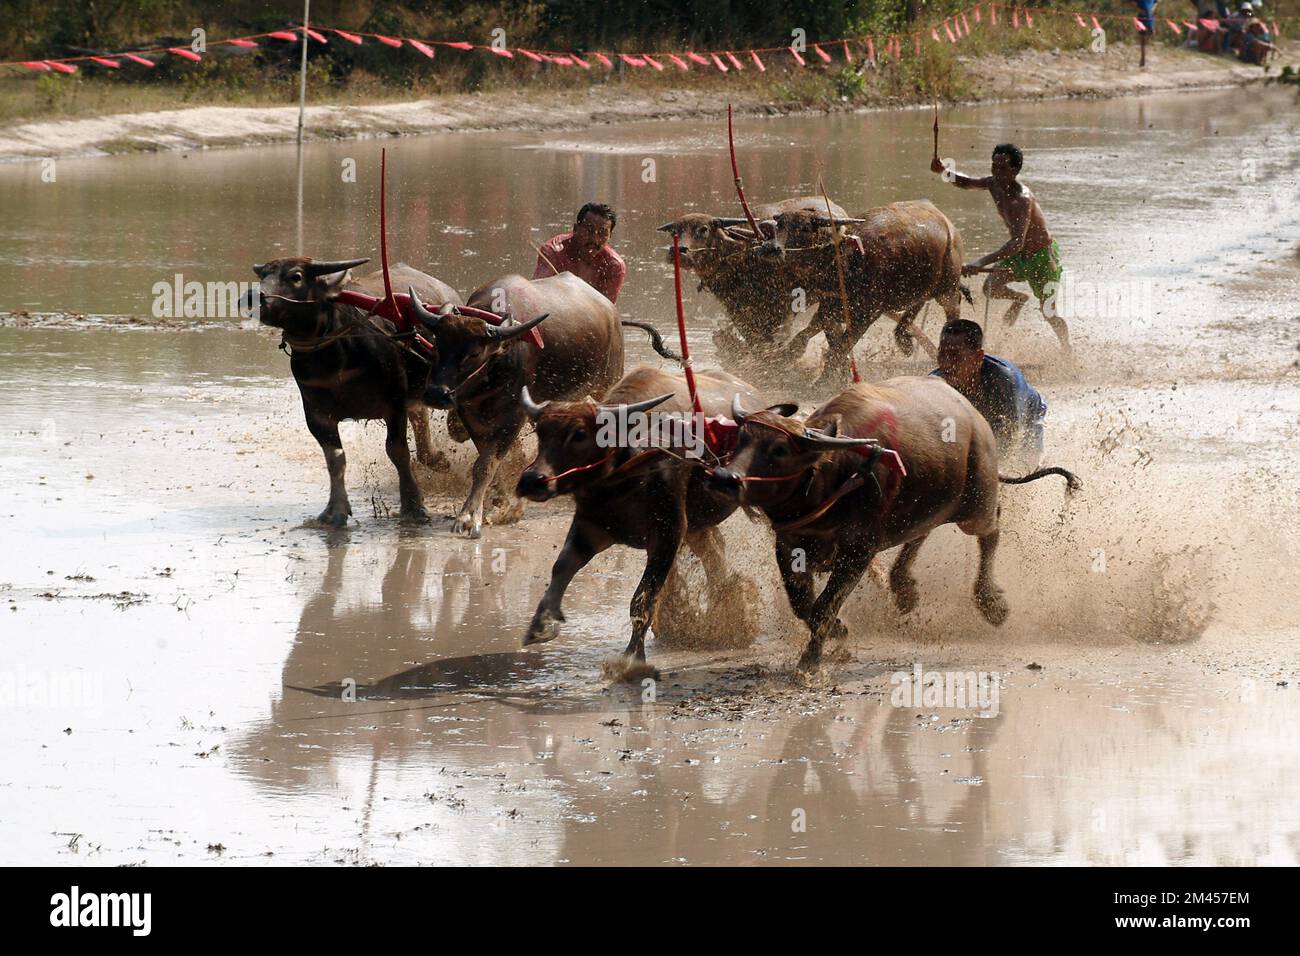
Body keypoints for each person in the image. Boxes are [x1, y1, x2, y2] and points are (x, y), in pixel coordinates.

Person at [930, 142, 1070, 353]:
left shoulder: (1022, 199)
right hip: (1019, 256)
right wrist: (943, 171)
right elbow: (967, 183)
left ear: (1015, 170)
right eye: (994, 166)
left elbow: (1016, 243)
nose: (996, 172)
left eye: (1002, 168)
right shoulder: (993, 184)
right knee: (990, 288)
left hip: (1041, 257)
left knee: (1048, 312)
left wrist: (981, 262)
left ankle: (1066, 348)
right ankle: (1019, 299)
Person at [930, 319, 1047, 470]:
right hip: (982, 420)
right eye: (942, 354)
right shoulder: (936, 385)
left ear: (978, 357)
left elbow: (1010, 439)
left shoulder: (1004, 382)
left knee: (1024, 467)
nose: (945, 363)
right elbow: (944, 438)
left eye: (955, 355)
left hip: (1027, 413)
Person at [533, 202, 627, 304]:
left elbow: (607, 308)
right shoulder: (553, 252)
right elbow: (537, 295)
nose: (595, 239)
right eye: (589, 230)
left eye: (602, 233)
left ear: (610, 236)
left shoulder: (613, 265)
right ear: (576, 229)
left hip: (593, 312)